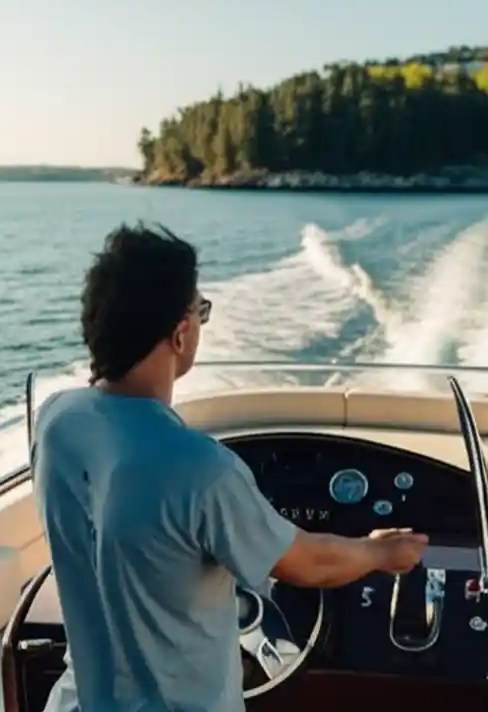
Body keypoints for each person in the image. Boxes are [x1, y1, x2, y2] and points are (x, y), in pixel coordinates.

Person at [32, 223, 429, 711]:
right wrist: (381, 554)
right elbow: (308, 563)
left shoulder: (55, 421)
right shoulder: (201, 470)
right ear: (180, 334)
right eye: (199, 310)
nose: (199, 322)